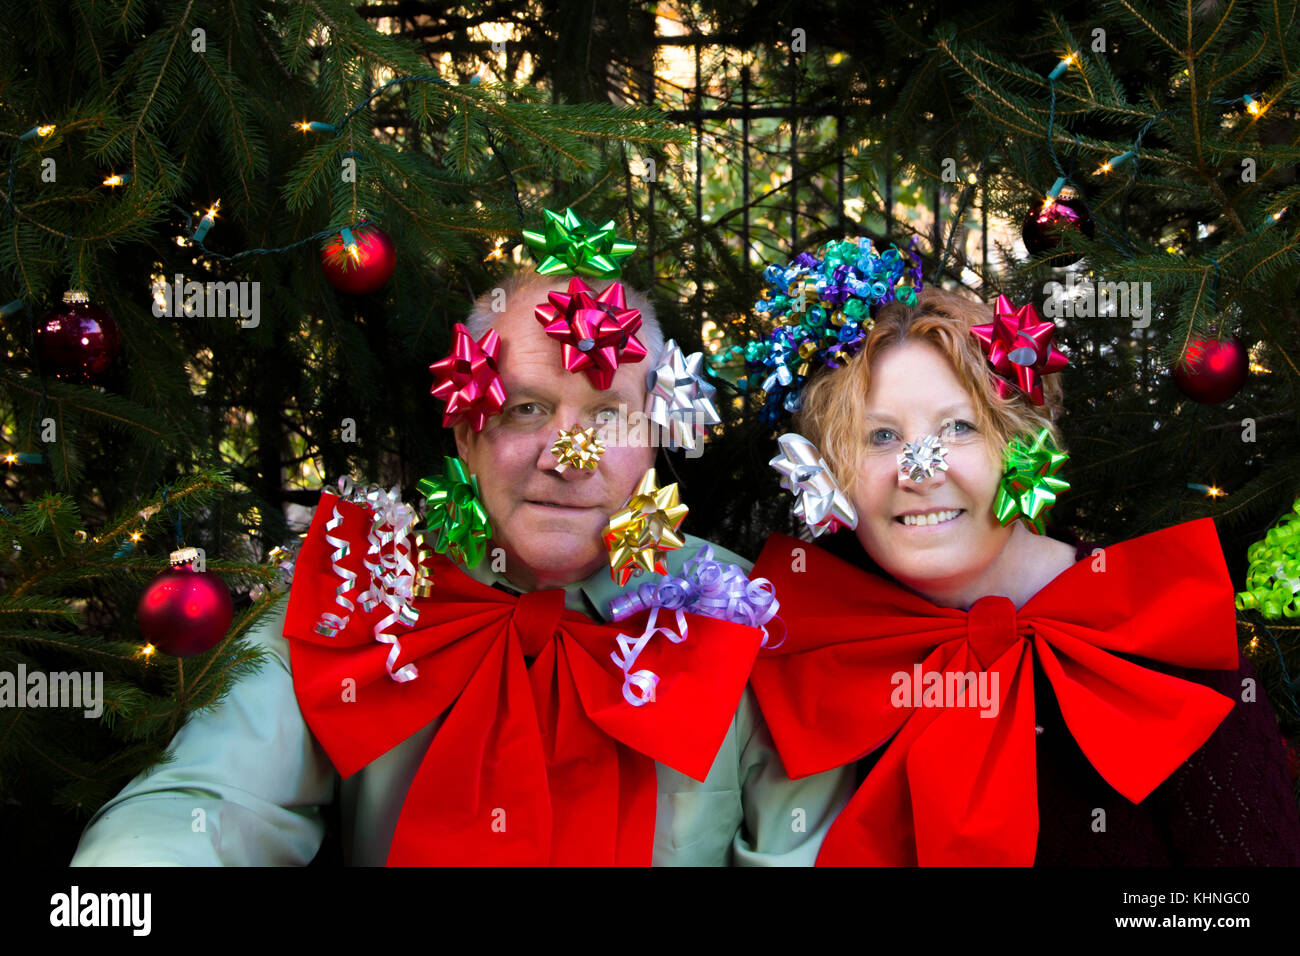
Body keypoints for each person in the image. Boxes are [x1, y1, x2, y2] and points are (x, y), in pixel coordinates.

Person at [70, 269, 852, 866]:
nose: (566, 459)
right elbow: (210, 801)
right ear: (467, 432)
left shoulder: (737, 612)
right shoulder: (365, 586)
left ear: (655, 437)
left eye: (607, 417)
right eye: (527, 410)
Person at [749, 286, 1300, 865]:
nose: (919, 471)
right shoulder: (805, 641)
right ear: (831, 470)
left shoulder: (1158, 635)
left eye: (959, 427)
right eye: (880, 436)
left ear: (1023, 441)